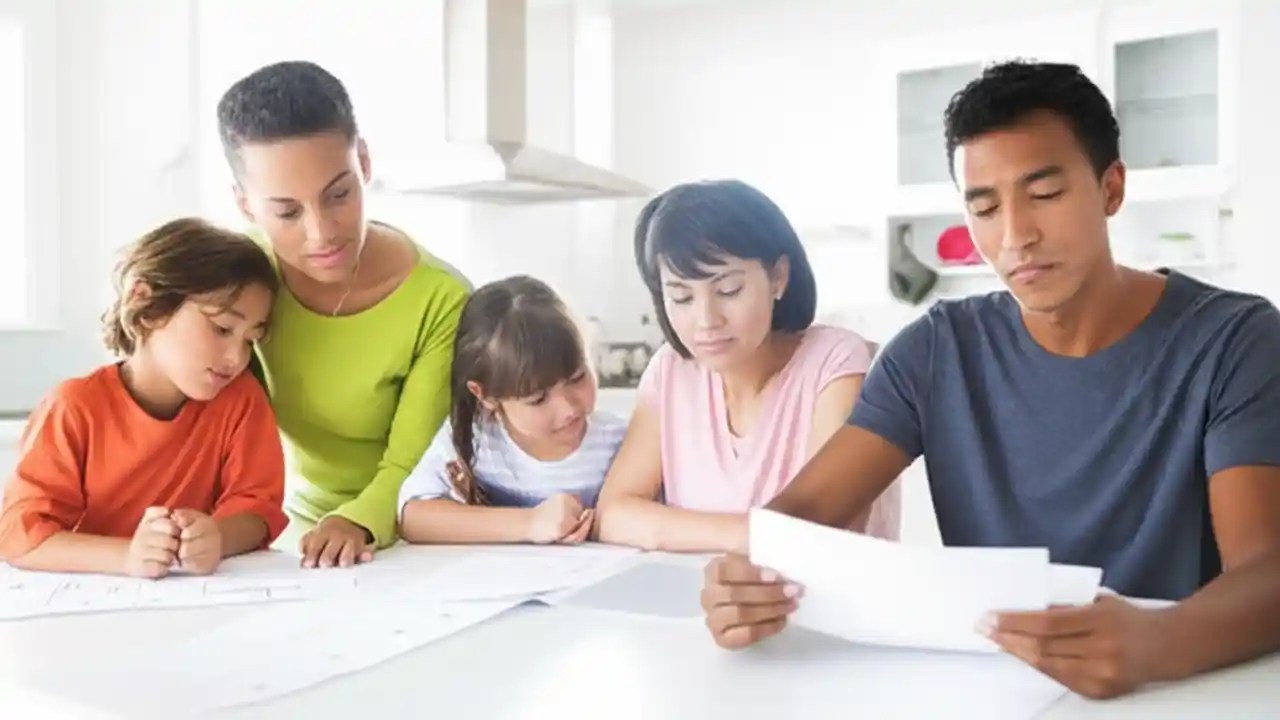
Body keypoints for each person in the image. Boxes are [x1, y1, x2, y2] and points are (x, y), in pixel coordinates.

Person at [698, 60, 1280, 700]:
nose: (1016, 236)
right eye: (983, 206)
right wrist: (744, 579)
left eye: (1046, 194)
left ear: (1111, 188)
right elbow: (801, 518)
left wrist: (1160, 640)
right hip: (993, 692)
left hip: (1183, 690)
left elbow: (1268, 572)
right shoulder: (935, 351)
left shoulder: (1235, 340)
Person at [216, 60, 470, 568]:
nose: (322, 233)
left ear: (365, 163)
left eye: (339, 194)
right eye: (287, 212)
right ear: (246, 205)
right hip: (287, 535)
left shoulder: (441, 300)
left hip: (414, 531)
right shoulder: (238, 280)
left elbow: (411, 463)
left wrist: (355, 521)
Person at [595, 179, 900, 552]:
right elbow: (614, 515)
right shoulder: (671, 372)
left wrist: (671, 529)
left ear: (778, 278)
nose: (706, 319)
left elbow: (825, 536)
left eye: (728, 291)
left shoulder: (836, 363)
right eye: (681, 296)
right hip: (700, 601)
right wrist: (761, 535)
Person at [0, 218, 288, 577]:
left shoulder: (241, 400)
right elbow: (20, 535)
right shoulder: (73, 407)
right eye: (222, 328)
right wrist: (127, 557)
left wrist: (217, 537)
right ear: (147, 304)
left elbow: (258, 509)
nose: (236, 357)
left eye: (250, 340)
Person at [398, 276, 627, 544]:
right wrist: (530, 524)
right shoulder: (473, 436)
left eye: (577, 378)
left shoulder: (620, 442)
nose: (568, 408)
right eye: (538, 398)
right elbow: (413, 517)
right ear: (486, 395)